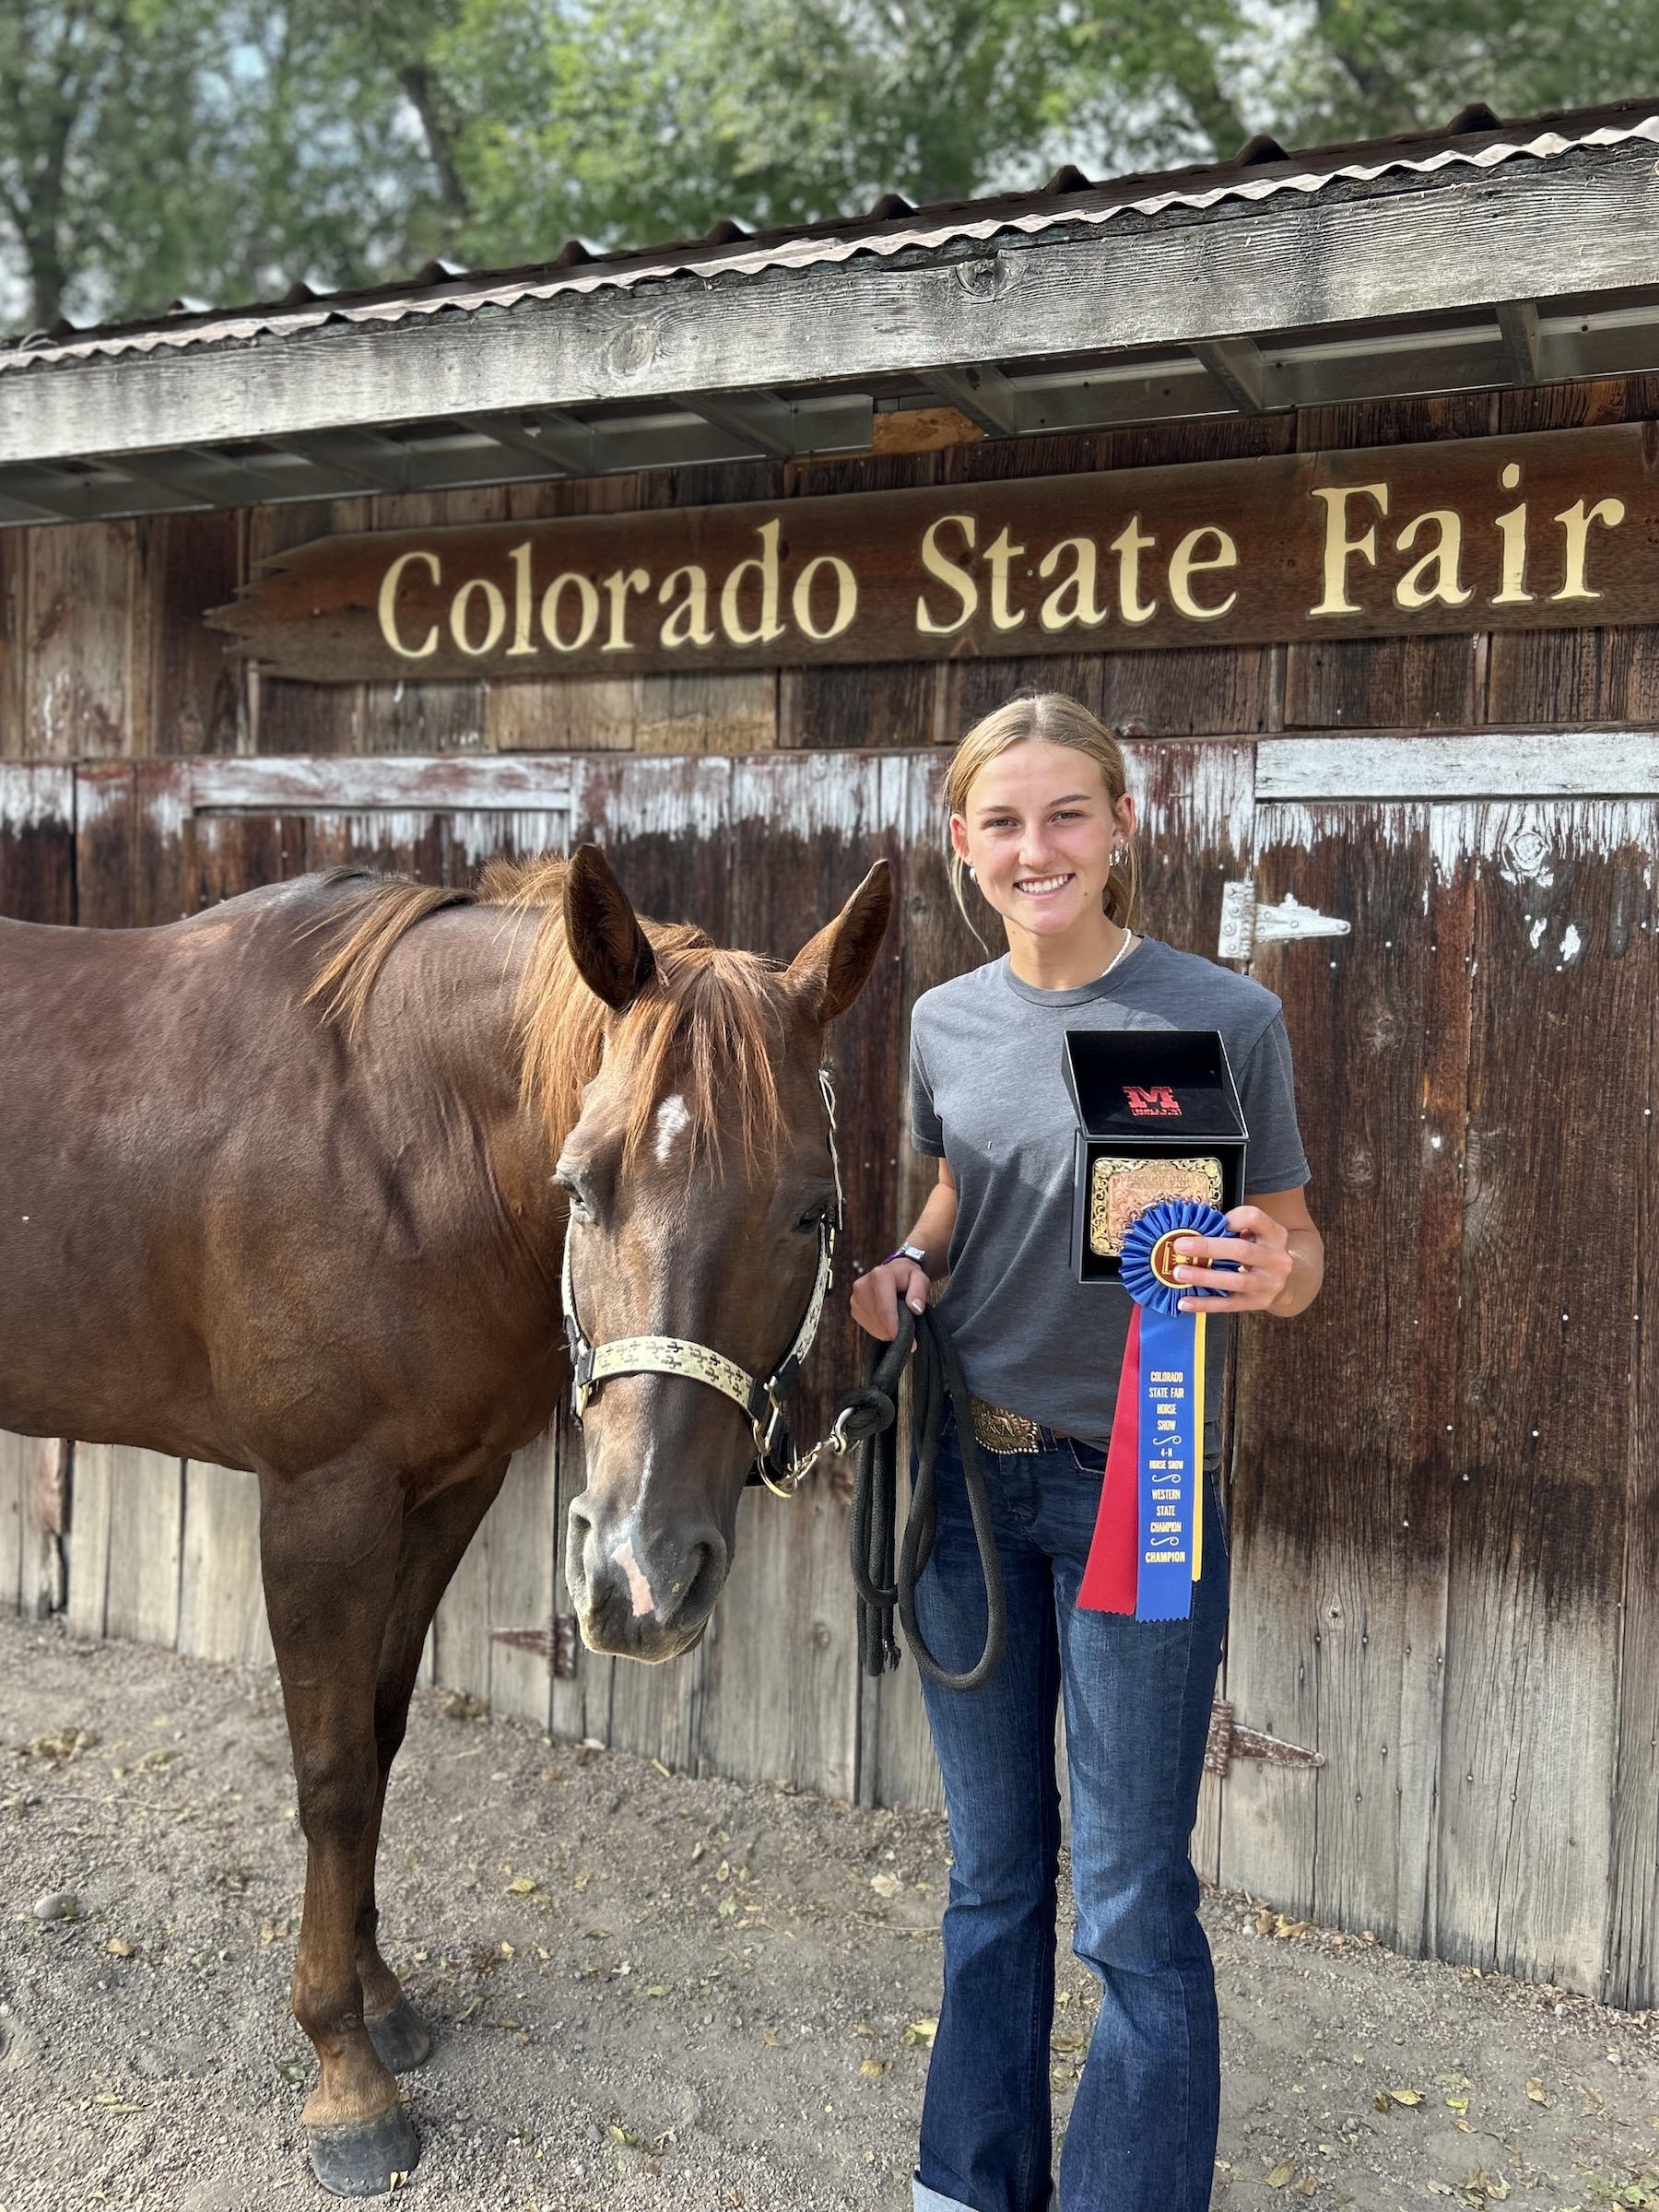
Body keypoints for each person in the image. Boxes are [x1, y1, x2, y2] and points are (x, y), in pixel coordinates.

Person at [850, 693, 1324, 2212]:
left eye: (1066, 815)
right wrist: (904, 1267)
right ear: (961, 844)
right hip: (965, 1498)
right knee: (991, 1881)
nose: (1035, 846)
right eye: (1004, 820)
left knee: (1130, 1898)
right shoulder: (944, 1019)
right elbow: (954, 1184)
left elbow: (1299, 1249)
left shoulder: (1217, 1019)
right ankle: (967, 2182)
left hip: (1138, 1491)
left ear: (1124, 826)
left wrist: (1272, 1269)